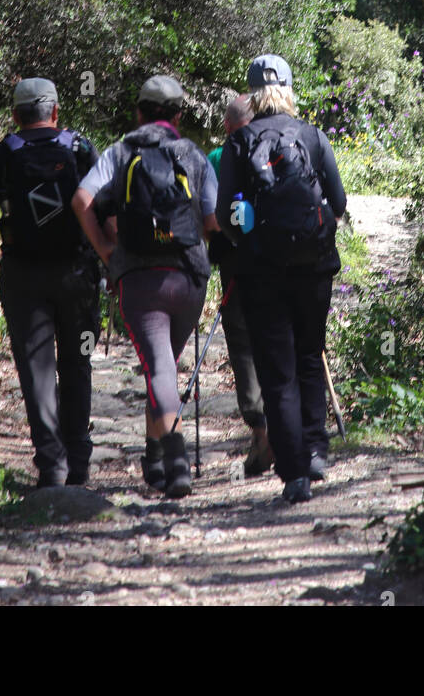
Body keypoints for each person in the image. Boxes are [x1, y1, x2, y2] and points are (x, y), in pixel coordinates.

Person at [72, 75, 217, 499]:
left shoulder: (120, 151)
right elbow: (212, 221)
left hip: (139, 279)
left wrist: (106, 251)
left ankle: (175, 456)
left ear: (138, 112)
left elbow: (81, 200)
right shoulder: (194, 154)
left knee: (159, 368)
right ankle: (155, 457)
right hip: (189, 278)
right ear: (177, 115)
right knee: (165, 365)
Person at [215, 54, 347, 503]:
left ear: (252, 94)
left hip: (260, 271)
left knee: (277, 369)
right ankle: (315, 452)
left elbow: (224, 214)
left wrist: (248, 239)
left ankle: (293, 473)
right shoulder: (312, 136)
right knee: (310, 356)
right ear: (290, 89)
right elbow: (339, 201)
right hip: (314, 267)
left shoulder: (239, 142)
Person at [0, 77, 100, 488]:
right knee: (78, 362)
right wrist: (113, 265)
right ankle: (80, 459)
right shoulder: (81, 149)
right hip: (79, 275)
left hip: (23, 276)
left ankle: (51, 464)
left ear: (16, 116)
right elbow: (106, 209)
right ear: (56, 112)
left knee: (37, 368)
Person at [208, 94, 274, 478]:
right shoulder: (277, 146)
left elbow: (211, 218)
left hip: (235, 262)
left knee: (243, 342)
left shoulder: (218, 158)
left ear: (227, 127)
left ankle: (260, 428)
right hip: (276, 256)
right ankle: (286, 426)